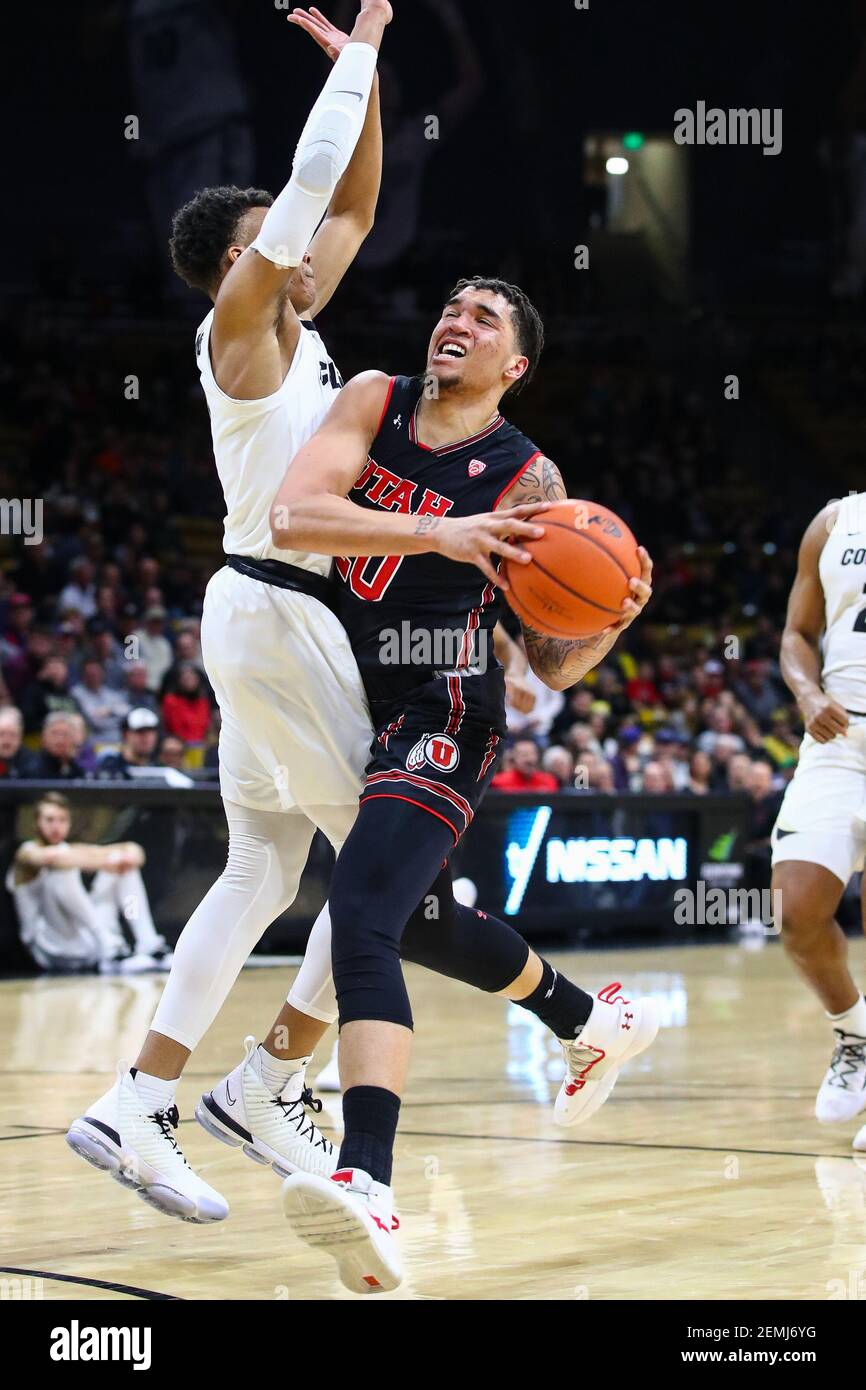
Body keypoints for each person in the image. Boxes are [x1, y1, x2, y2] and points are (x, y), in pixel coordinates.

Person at [270, 274, 656, 1292]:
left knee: (357, 911)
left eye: (483, 319)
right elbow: (293, 514)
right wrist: (435, 534)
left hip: (444, 709)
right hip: (348, 694)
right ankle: (588, 1018)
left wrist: (614, 611)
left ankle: (366, 1176)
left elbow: (554, 664)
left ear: (512, 367)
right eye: (449, 307)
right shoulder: (373, 400)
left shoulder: (528, 481)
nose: (455, 321)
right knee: (420, 919)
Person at [771, 492, 866, 1148]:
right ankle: (856, 1035)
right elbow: (797, 635)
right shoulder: (834, 521)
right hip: (838, 743)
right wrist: (807, 694)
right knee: (794, 908)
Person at [7, 792, 168, 973]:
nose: (56, 826)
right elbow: (54, 859)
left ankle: (147, 943)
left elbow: (135, 851)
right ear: (36, 822)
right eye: (50, 820)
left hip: (86, 940)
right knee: (62, 872)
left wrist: (118, 859)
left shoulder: (69, 849)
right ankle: (109, 945)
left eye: (62, 820)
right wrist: (105, 860)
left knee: (124, 867)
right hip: (50, 945)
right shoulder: (26, 852)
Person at [95, 708, 161, 778]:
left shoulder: (160, 770)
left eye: (151, 732)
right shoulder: (109, 768)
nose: (147, 737)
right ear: (126, 734)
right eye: (140, 731)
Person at [491, 736, 559, 792]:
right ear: (514, 759)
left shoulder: (549, 781)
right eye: (524, 755)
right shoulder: (498, 783)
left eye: (532, 754)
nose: (529, 759)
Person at [0, 707, 40, 778]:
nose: (7, 740)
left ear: (20, 738)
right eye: (2, 734)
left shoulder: (33, 762)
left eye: (13, 735)